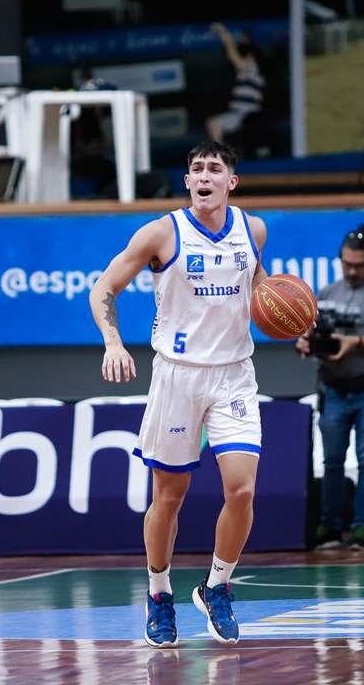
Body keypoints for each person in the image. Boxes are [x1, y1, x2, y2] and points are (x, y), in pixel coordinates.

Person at [88, 140, 273, 648]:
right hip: (177, 375)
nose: (206, 175)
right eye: (197, 169)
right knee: (168, 497)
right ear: (188, 182)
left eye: (215, 168)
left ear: (231, 181)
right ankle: (159, 593)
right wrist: (113, 343)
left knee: (242, 489)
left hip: (234, 374)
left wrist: (288, 313)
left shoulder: (252, 230)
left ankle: (216, 586)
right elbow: (102, 288)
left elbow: (258, 288)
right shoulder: (160, 233)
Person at [295, 225, 364, 549]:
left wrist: (354, 341)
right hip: (334, 390)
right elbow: (310, 334)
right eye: (347, 264)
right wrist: (305, 344)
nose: (352, 270)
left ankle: (361, 527)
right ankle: (330, 525)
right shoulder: (328, 293)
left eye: (358, 265)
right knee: (332, 461)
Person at [206, 23, 264, 143]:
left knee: (214, 123)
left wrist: (224, 33)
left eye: (246, 57)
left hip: (245, 114)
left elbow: (233, 56)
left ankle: (221, 157)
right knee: (214, 124)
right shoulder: (245, 73)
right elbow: (234, 57)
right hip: (239, 114)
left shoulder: (252, 67)